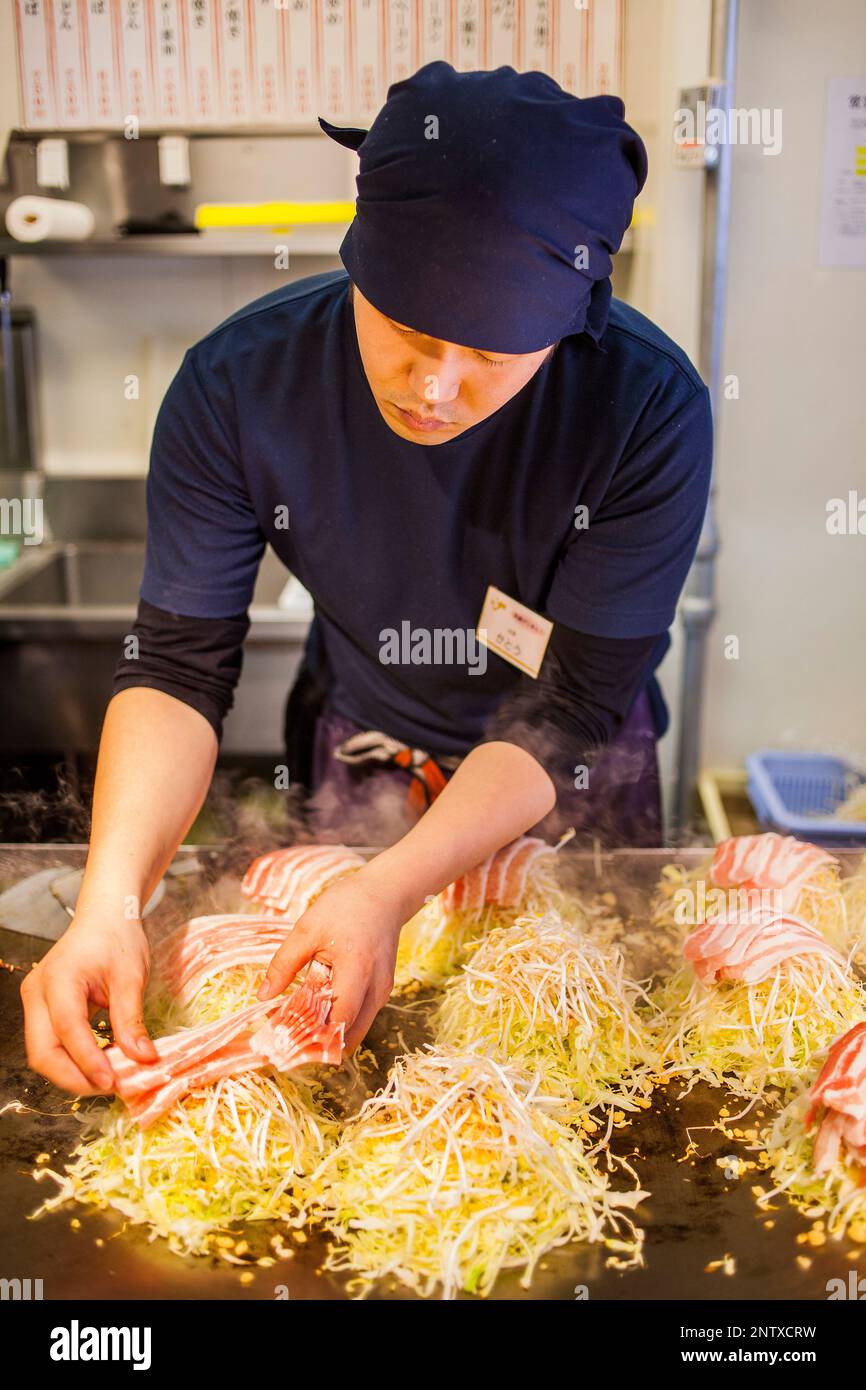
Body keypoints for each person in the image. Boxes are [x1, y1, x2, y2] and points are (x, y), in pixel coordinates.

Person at [21, 63, 712, 1096]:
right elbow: (175, 668)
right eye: (404, 331)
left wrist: (389, 890)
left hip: (560, 773)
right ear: (356, 267)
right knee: (338, 1086)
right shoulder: (240, 384)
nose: (434, 387)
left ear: (571, 316)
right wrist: (108, 902)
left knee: (586, 1077)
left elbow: (568, 705)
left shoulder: (645, 409)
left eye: (489, 351)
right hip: (366, 744)